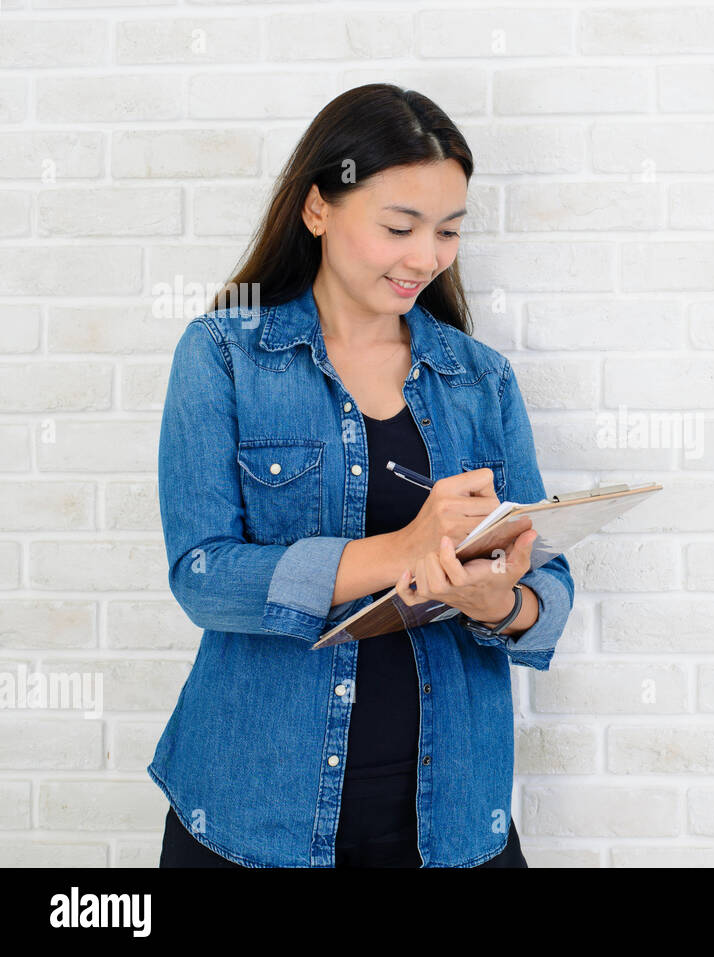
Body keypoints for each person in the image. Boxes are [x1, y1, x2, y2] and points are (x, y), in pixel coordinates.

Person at [150, 83, 574, 868]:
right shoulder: (223, 356)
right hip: (255, 812)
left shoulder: (480, 379)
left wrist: (500, 601)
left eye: (448, 231)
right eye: (399, 227)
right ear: (317, 208)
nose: (427, 257)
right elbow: (203, 575)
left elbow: (548, 591)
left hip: (448, 819)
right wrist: (405, 549)